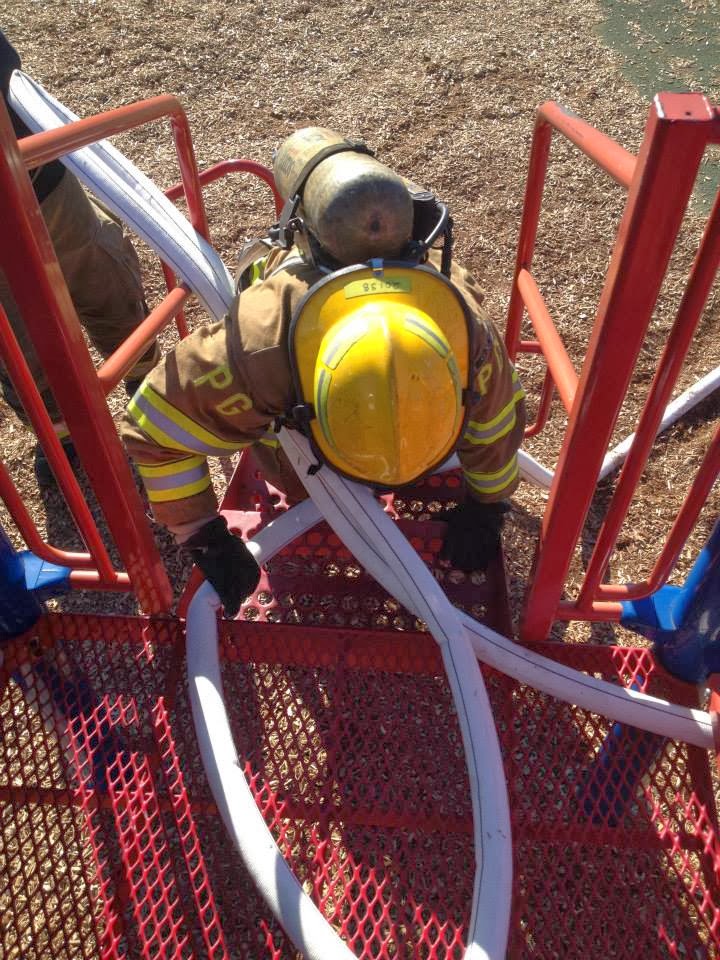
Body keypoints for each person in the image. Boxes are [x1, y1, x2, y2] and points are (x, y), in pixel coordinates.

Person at [121, 127, 526, 617]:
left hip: (338, 440)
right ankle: (301, 473)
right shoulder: (261, 346)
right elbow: (154, 428)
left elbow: (497, 422)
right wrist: (201, 536)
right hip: (302, 467)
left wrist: (488, 508)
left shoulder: (467, 331)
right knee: (288, 462)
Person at [0, 28, 159, 484]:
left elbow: (7, 67)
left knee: (104, 278)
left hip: (40, 180)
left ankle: (143, 380)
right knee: (19, 343)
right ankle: (62, 432)